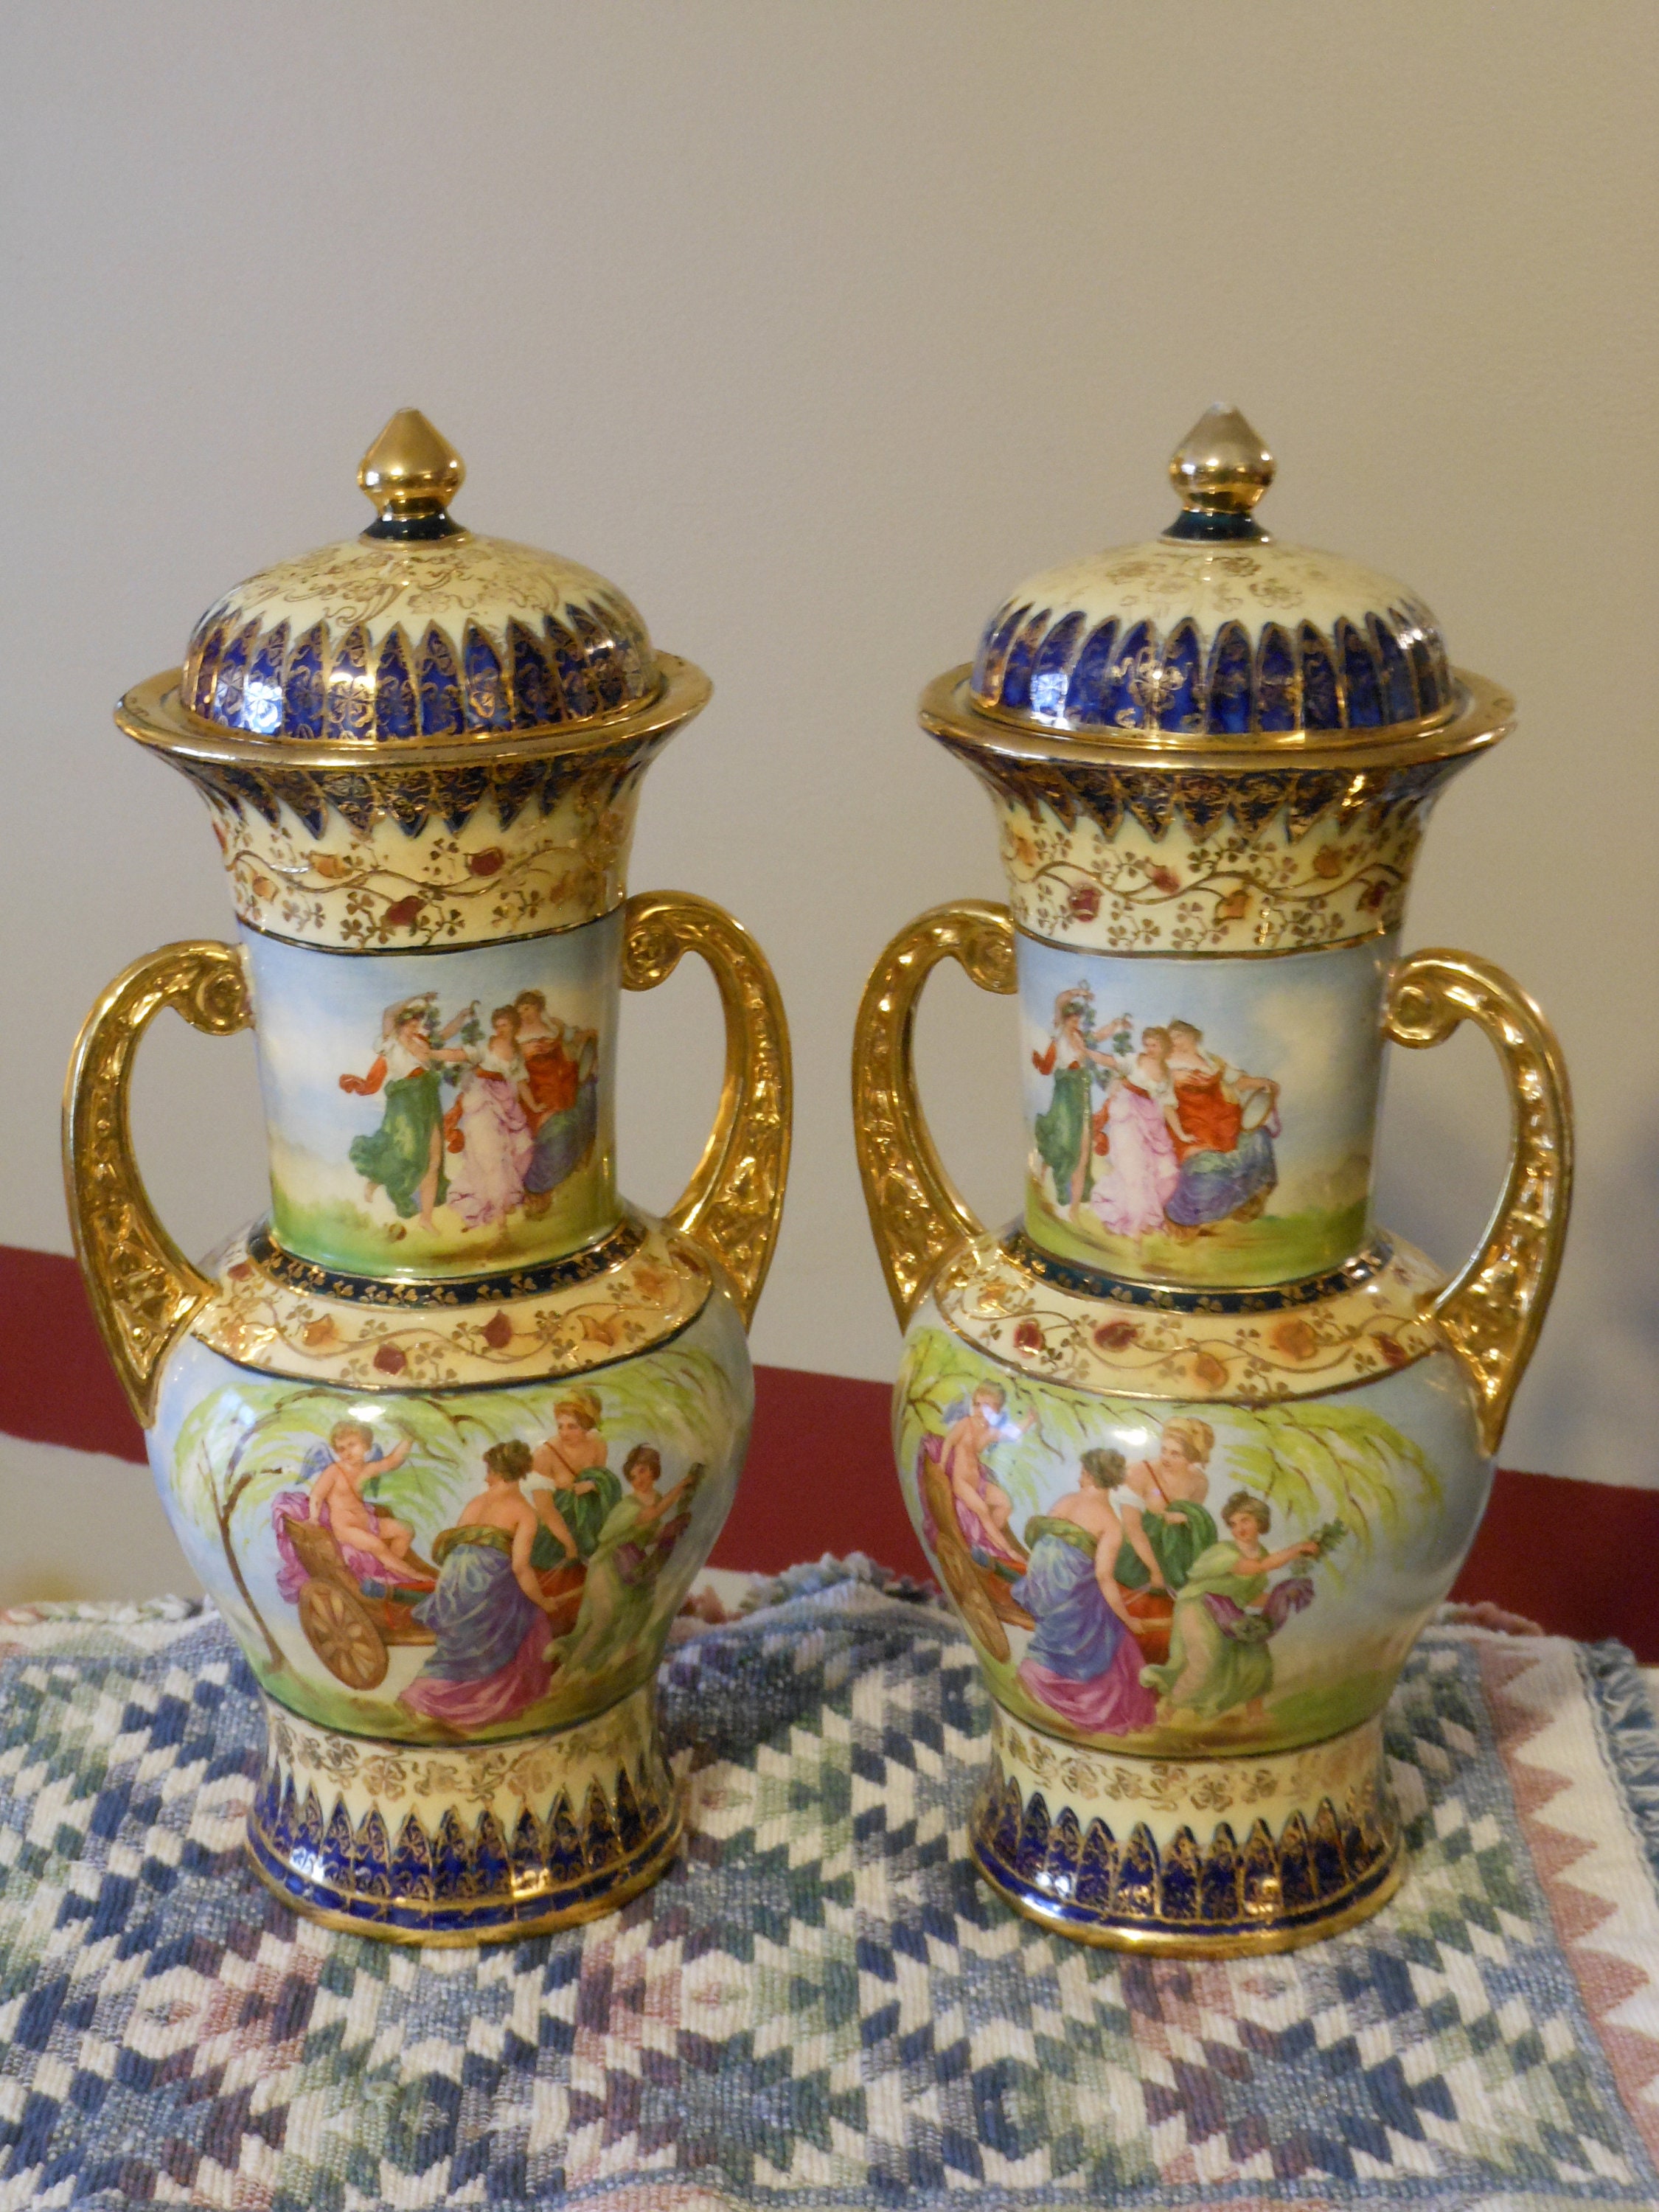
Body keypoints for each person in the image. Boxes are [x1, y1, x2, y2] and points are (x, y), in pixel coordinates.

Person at [398, 1440, 567, 1731]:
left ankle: (424, 1696)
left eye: (488, 1470)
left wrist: (458, 1583)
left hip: (455, 1583)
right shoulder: (523, 1511)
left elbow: (451, 1548)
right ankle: (496, 1705)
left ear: (498, 1473)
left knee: (469, 1637)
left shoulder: (476, 1504)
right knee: (530, 1617)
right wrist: (544, 1601)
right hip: (487, 1583)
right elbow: (520, 1568)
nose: (485, 1477)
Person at [1141, 1492, 1321, 1725]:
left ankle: (1255, 1714)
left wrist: (1283, 1595)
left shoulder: (1262, 1554)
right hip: (1199, 1607)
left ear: (1260, 1521)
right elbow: (1256, 1568)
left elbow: (1251, 1596)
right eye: (1234, 1524)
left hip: (1229, 1613)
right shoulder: (1223, 1552)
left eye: (1245, 1520)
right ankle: (1169, 1711)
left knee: (1256, 1657)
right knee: (1206, 1659)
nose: (1239, 1528)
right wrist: (1296, 1549)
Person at [1012, 1449, 1158, 1736]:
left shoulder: (1065, 1502)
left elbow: (1042, 1548)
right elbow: (1105, 1578)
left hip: (1039, 1589)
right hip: (1071, 1600)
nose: (1080, 1476)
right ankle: (1106, 1709)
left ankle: (1039, 1674)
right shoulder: (1110, 1523)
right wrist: (1128, 1619)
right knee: (1115, 1633)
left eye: (1083, 1471)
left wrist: (1045, 1582)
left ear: (1090, 1475)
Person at [558, 1445, 700, 1676]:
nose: (638, 1480)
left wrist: (671, 1529)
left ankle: (600, 1670)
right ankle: (568, 1671)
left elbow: (649, 1534)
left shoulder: (655, 1498)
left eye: (643, 1471)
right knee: (603, 1619)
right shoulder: (629, 1506)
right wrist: (682, 1486)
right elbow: (650, 1516)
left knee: (630, 1617)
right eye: (633, 1476)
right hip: (608, 1566)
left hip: (630, 1566)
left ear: (654, 1470)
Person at [342, 996, 474, 1233]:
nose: (415, 1027)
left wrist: (462, 1016)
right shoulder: (389, 1043)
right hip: (405, 1101)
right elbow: (388, 1013)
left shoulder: (423, 1042)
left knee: (434, 1160)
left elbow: (446, 1034)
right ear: (401, 1024)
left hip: (427, 1099)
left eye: (417, 1023)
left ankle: (426, 1218)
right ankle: (377, 1179)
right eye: (410, 1023)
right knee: (408, 1152)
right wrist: (416, 998)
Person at [272, 1418, 431, 1601]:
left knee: (405, 1530)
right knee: (376, 1545)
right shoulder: (334, 1471)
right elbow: (317, 1495)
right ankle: (412, 1574)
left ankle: (388, 1572)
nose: (346, 1453)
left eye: (352, 1445)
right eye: (341, 1448)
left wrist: (409, 1439)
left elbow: (393, 1461)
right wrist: (314, 1518)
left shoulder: (367, 1469)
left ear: (366, 1446)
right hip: (346, 1528)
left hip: (367, 1522)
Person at [1162, 1020, 1279, 1234]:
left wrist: (1261, 1083)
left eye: (1179, 1035)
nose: (1175, 1041)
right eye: (1170, 1038)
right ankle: (1187, 1221)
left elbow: (1238, 1081)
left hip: (1222, 1123)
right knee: (1205, 1169)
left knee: (1257, 1140)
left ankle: (1240, 1209)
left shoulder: (1212, 1061)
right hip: (1190, 1124)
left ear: (1193, 1036)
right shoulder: (1166, 1064)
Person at [1089, 1025, 1186, 1239]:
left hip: (1152, 1124)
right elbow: (1109, 1061)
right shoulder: (1135, 1061)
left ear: (1164, 1047)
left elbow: (1169, 1106)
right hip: (1128, 1117)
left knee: (1168, 1172)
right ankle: (1133, 1223)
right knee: (1133, 1172)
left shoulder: (1167, 1074)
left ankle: (1144, 1216)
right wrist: (1087, 1052)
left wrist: (1181, 1134)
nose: (1150, 1049)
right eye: (1147, 1044)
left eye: (1155, 1045)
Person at [445, 1005, 536, 1230]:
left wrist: (534, 1104)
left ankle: (503, 1199)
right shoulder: (488, 1046)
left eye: (505, 1025)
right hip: (482, 1104)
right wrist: (433, 1054)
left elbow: (521, 1081)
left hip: (506, 1108)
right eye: (497, 1026)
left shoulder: (516, 1051)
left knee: (522, 1150)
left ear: (514, 1026)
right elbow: (460, 1054)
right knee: (490, 1157)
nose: (501, 1030)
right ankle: (498, 1213)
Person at [1110, 1414, 1219, 1598]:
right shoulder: (1140, 1473)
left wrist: (1187, 1519)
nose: (1166, 1458)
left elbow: (1194, 1521)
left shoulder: (1199, 1482)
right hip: (1138, 1557)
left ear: (1191, 1458)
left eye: (1175, 1454)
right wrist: (1156, 1571)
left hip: (1176, 1558)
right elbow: (1133, 1529)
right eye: (1164, 1450)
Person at [1032, 987, 1116, 1214]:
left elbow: (1097, 1038)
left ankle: (1078, 1192)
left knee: (1082, 1140)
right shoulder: (1059, 1030)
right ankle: (1060, 1185)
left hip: (1081, 1086)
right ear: (1066, 1018)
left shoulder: (1079, 1036)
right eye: (1073, 1018)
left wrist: (1116, 1027)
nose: (1076, 1022)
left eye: (1078, 1018)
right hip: (1066, 1085)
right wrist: (1081, 992)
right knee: (1066, 1136)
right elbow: (1060, 999)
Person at [515, 990, 600, 1213]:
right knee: (551, 1132)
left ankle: (568, 1169)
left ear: (538, 1007)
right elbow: (510, 1064)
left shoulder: (554, 1025)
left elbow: (578, 1038)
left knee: (574, 1119)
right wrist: (528, 1053)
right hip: (537, 1089)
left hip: (562, 1082)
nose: (524, 1014)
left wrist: (587, 1037)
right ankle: (538, 1187)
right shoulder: (516, 1034)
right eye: (521, 1010)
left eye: (528, 1008)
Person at [529, 1388, 623, 1562]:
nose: (564, 1433)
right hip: (556, 1535)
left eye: (572, 1427)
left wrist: (593, 1485)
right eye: (560, 1426)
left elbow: (602, 1479)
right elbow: (546, 1510)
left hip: (592, 1526)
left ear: (587, 1427)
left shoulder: (597, 1443)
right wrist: (569, 1545)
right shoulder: (544, 1455)